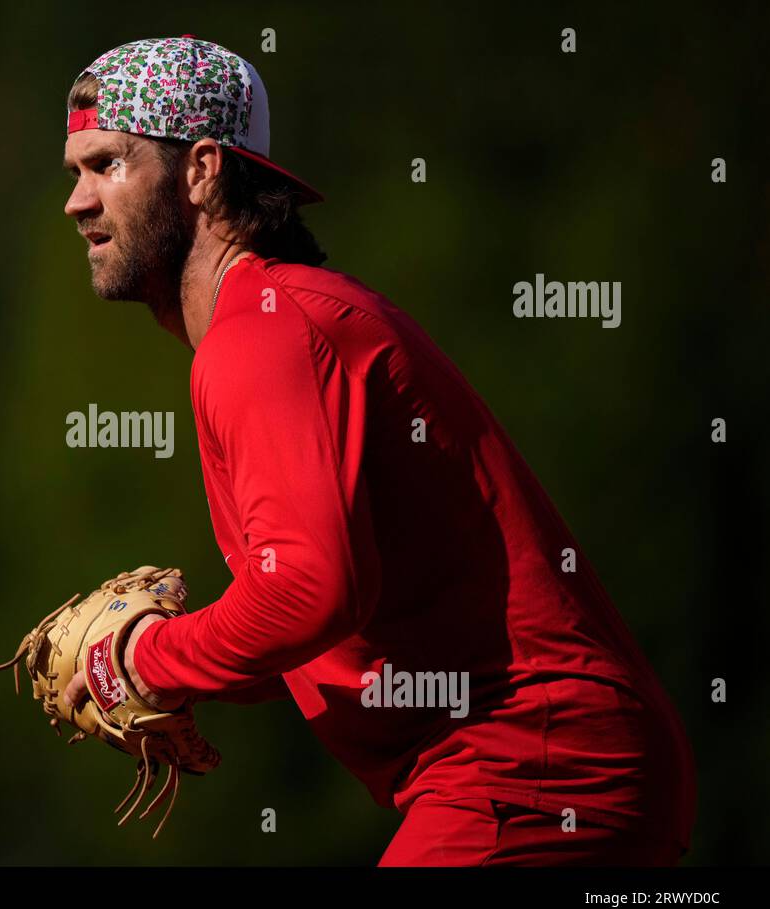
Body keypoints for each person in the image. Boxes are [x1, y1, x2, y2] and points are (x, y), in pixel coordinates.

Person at [57, 35, 695, 865]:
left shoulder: (264, 335)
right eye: (74, 171)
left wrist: (146, 660)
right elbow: (311, 617)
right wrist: (194, 657)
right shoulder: (276, 322)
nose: (77, 201)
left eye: (105, 163)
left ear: (202, 168)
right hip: (538, 769)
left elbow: (316, 593)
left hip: (534, 771)